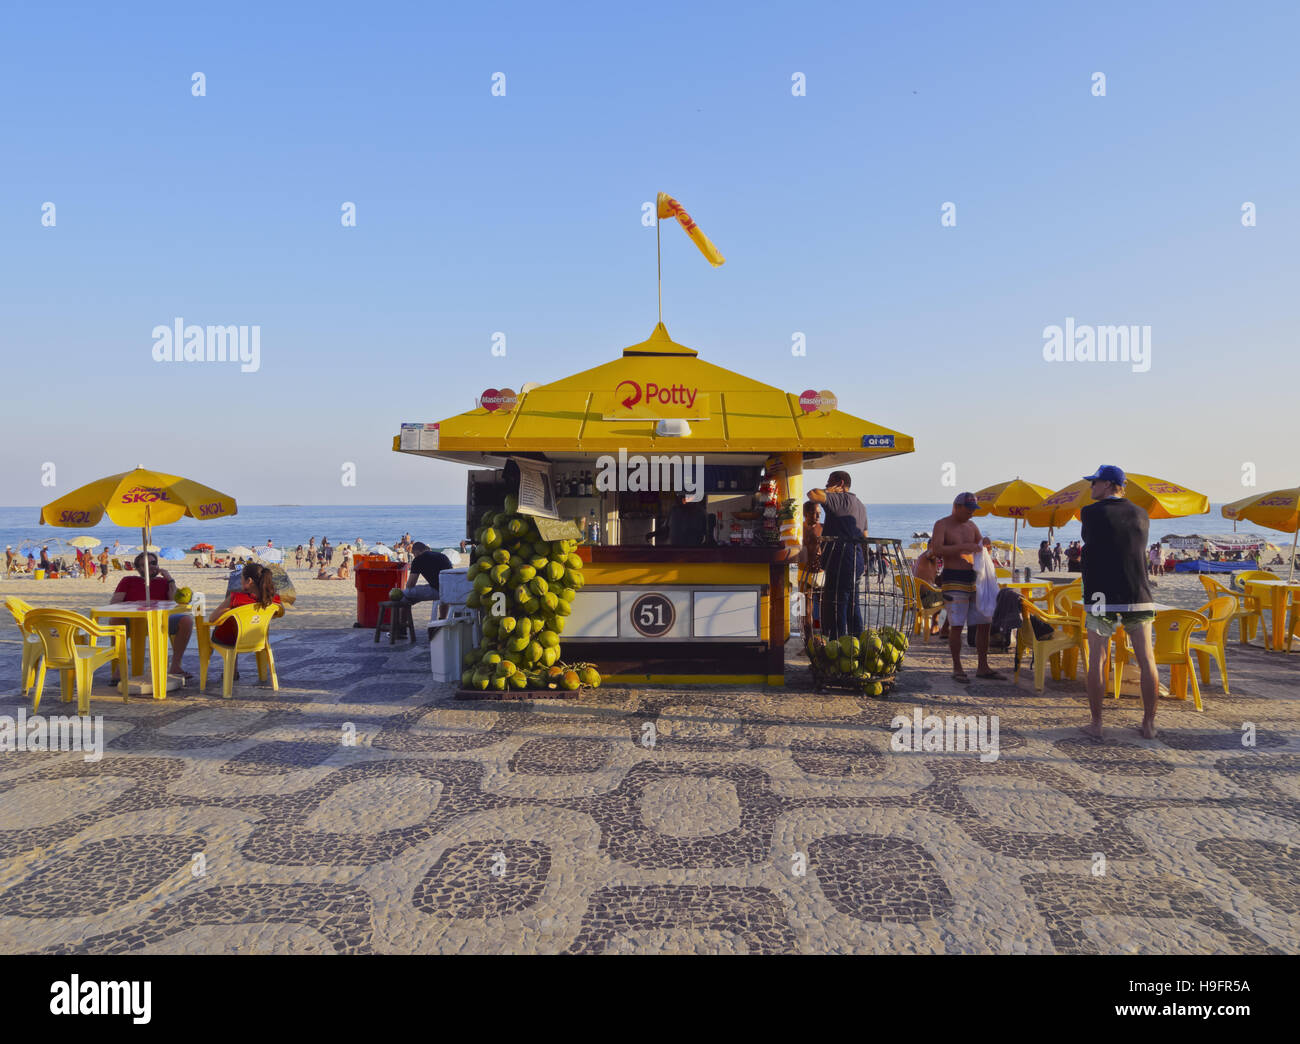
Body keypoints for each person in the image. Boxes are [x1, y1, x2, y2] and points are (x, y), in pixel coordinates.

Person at [1078, 465, 1159, 740]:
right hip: (1138, 593)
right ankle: (1148, 724)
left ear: (1109, 484)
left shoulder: (1090, 512)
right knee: (1147, 659)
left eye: (1095, 483)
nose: (1091, 488)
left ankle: (1097, 723)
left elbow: (1091, 543)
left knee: (1098, 660)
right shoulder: (1142, 513)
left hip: (1101, 595)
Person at [930, 492, 1002, 683]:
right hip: (954, 579)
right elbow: (936, 550)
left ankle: (983, 666)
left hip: (974, 579)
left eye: (973, 510)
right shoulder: (942, 524)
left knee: (984, 622)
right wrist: (963, 547)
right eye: (968, 509)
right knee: (956, 625)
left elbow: (979, 545)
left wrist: (983, 549)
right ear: (957, 506)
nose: (971, 513)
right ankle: (957, 667)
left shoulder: (972, 526)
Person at [108, 551, 194, 681]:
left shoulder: (164, 582)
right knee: (115, 620)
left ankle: (175, 666)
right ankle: (119, 667)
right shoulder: (128, 580)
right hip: (133, 619)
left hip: (160, 620)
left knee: (186, 620)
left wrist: (169, 579)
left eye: (153, 563)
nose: (150, 566)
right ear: (138, 568)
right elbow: (115, 603)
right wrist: (134, 605)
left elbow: (175, 602)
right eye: (145, 565)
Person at [808, 471, 867, 640]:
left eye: (828, 483)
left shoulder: (839, 499)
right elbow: (865, 537)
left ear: (840, 483)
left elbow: (812, 494)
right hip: (856, 563)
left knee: (836, 607)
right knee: (852, 606)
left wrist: (830, 490)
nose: (826, 486)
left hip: (840, 562)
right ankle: (857, 644)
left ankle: (838, 645)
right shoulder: (860, 505)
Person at [208, 561, 283, 651]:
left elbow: (212, 619)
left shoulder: (235, 598)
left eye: (242, 578)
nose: (240, 581)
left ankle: (231, 665)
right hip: (258, 639)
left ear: (249, 581)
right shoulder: (274, 599)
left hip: (230, 640)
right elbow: (279, 613)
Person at [797, 501, 823, 639]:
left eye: (819, 512)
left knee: (823, 608)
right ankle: (808, 641)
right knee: (805, 610)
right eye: (814, 512)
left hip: (820, 573)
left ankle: (822, 639)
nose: (818, 515)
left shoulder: (823, 528)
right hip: (803, 572)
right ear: (806, 514)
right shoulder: (798, 529)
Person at [400, 542, 453, 607]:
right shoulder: (442, 556)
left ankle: (404, 617)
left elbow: (410, 585)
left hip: (437, 591)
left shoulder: (418, 560)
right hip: (451, 589)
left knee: (405, 593)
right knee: (412, 596)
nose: (414, 556)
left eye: (413, 554)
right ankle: (442, 617)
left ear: (416, 551)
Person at [912, 546, 944, 636]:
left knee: (938, 592)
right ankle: (937, 626)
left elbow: (935, 580)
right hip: (924, 600)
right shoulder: (928, 555)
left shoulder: (920, 559)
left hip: (914, 599)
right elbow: (931, 553)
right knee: (952, 597)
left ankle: (935, 625)